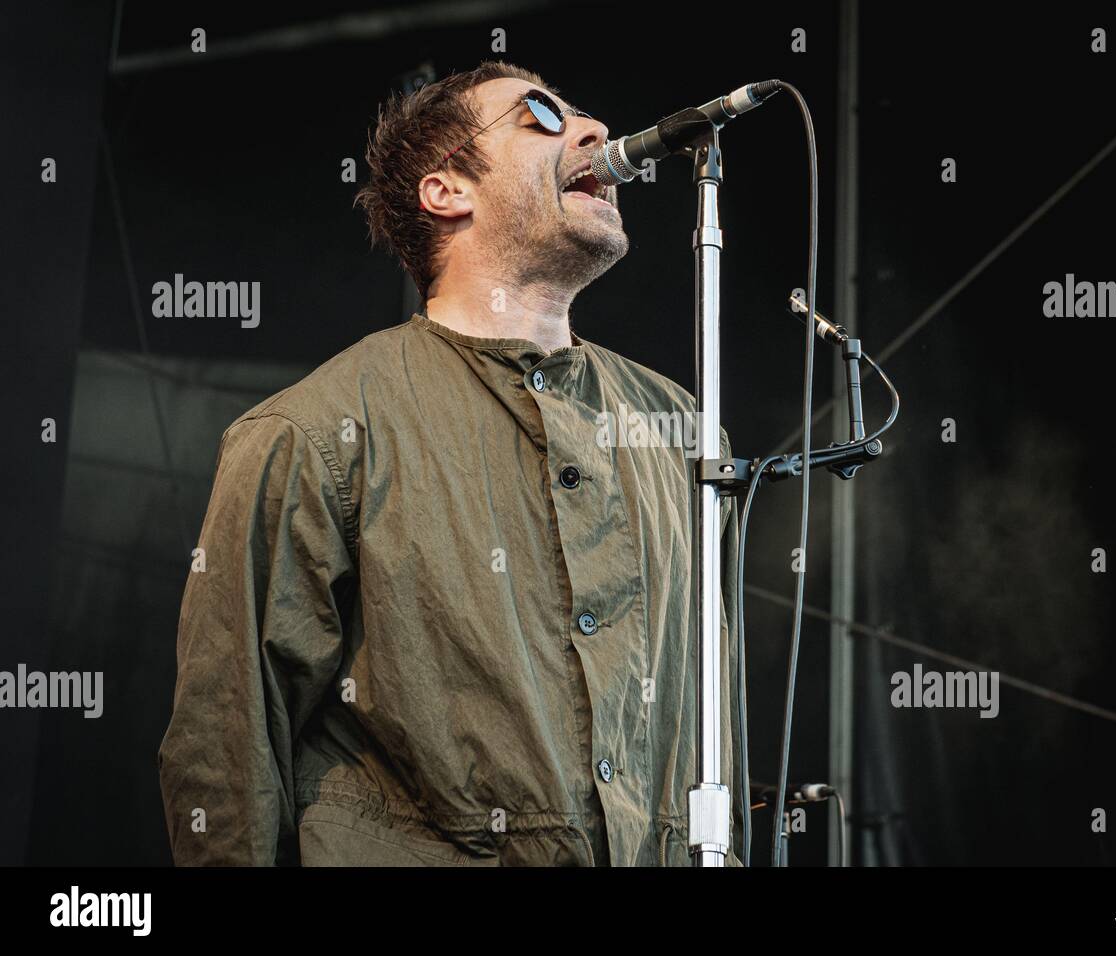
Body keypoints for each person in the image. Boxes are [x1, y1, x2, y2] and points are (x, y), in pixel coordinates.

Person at [158, 60, 744, 866]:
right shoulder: (314, 430)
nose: (595, 130)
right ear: (447, 192)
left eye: (581, 110)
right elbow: (226, 742)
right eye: (539, 113)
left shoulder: (682, 427)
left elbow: (714, 727)